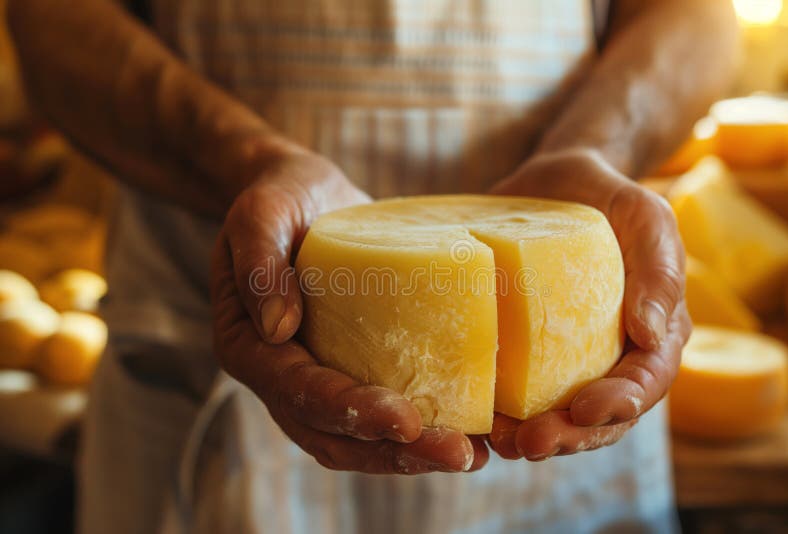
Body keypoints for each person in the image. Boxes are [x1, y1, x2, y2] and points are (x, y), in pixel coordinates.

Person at [7, 1, 738, 532]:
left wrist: (598, 148)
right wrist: (249, 163)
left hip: (565, 378)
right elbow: (51, 22)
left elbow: (697, 14)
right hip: (205, 382)